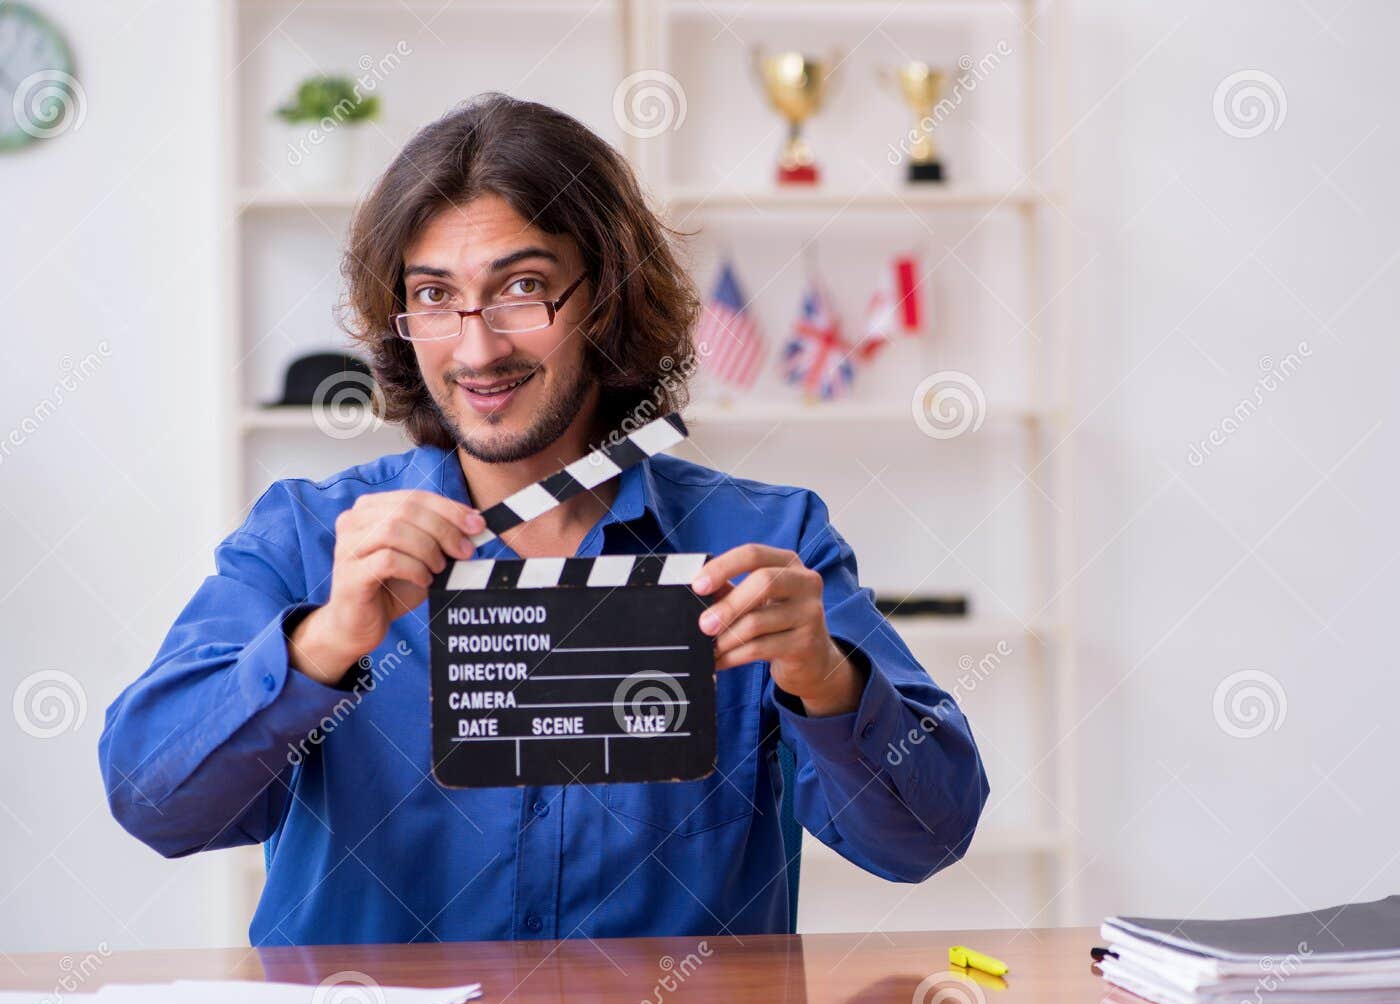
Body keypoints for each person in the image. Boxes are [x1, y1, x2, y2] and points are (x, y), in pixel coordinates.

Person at [98, 93, 989, 946]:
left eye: (523, 287)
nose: (478, 347)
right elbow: (153, 801)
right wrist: (322, 643)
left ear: (606, 297)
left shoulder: (765, 544)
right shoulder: (309, 538)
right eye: (436, 297)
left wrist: (824, 678)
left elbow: (927, 838)